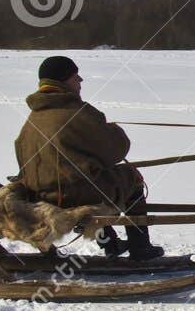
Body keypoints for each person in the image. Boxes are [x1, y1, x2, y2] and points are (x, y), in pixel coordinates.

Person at [12, 56, 163, 261]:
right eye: (76, 77)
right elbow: (116, 150)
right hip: (75, 195)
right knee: (131, 177)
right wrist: (113, 130)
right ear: (64, 80)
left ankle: (110, 243)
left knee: (96, 178)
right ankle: (140, 247)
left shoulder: (32, 119)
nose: (80, 81)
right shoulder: (76, 112)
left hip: (41, 196)